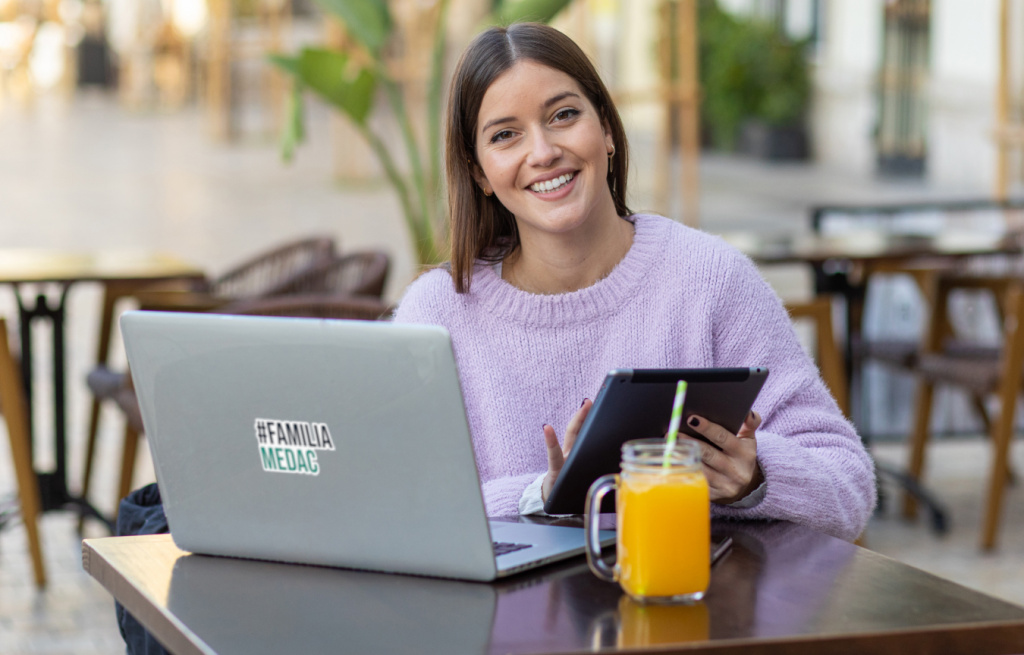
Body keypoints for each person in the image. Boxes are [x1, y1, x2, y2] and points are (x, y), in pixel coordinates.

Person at [393, 22, 876, 542]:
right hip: (503, 623)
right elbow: (394, 508)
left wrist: (755, 478)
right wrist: (545, 496)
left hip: (690, 612)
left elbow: (849, 488)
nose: (543, 151)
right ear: (480, 173)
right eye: (505, 135)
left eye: (563, 115)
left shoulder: (709, 278)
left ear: (605, 127)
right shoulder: (437, 314)